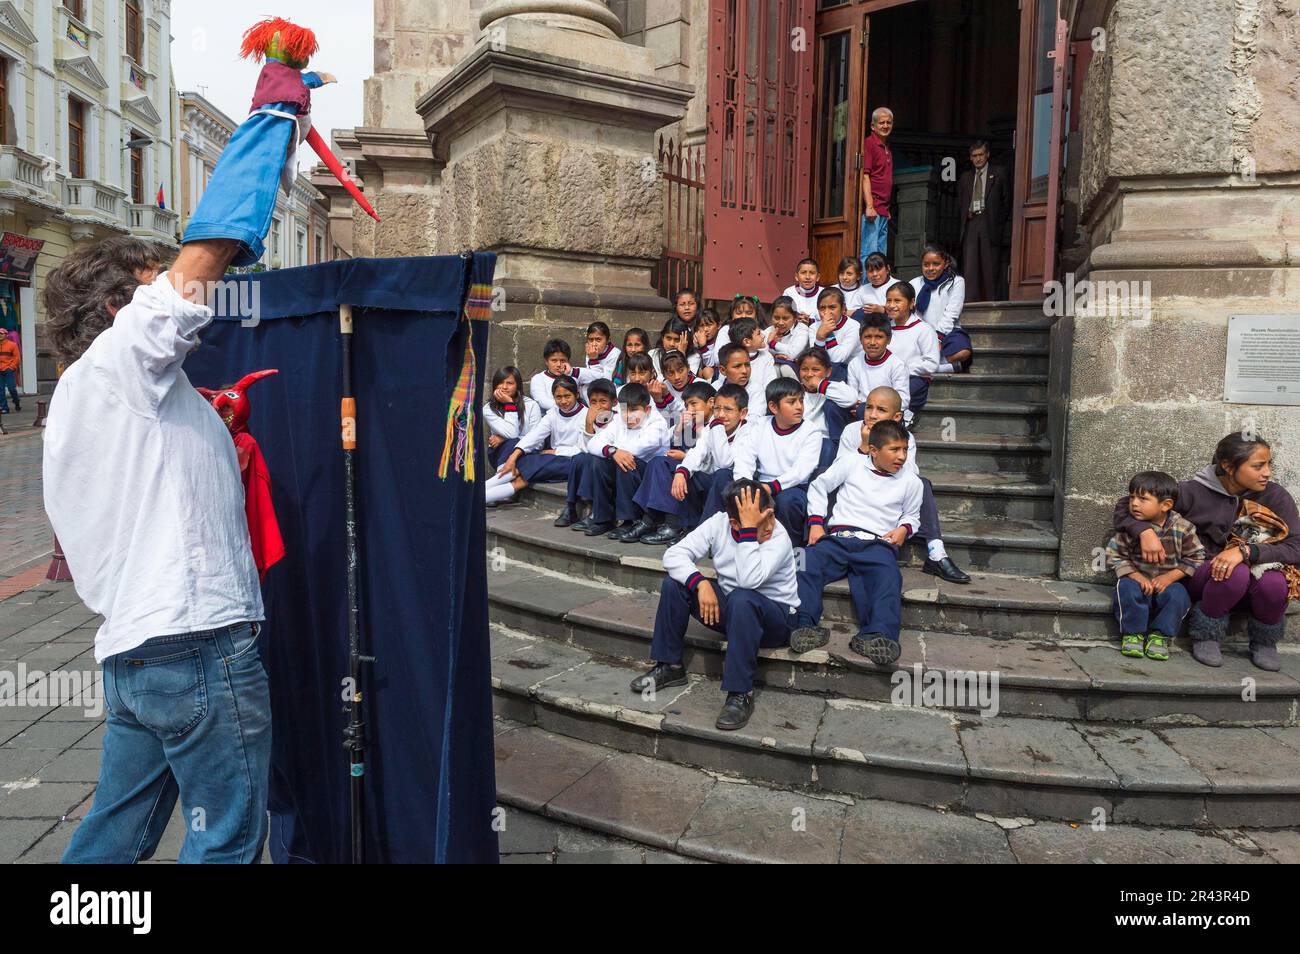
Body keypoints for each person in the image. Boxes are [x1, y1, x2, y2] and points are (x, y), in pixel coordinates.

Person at [44, 235, 270, 863]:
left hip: (139, 650)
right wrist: (272, 140)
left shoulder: (86, 390)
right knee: (226, 837)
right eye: (153, 283)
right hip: (195, 638)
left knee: (118, 829)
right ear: (123, 307)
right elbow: (201, 264)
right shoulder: (123, 364)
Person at [1111, 432, 1299, 670]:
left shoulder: (1275, 496)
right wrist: (1144, 532)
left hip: (1259, 573)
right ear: (1228, 466)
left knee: (1275, 584)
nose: (1267, 472)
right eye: (1258, 466)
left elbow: (1296, 545)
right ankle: (1207, 635)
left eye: (1269, 464)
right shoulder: (1192, 492)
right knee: (1234, 572)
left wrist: (1246, 552)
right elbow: (1126, 505)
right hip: (1205, 576)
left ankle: (1264, 642)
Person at [631, 481, 799, 731]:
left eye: (770, 515)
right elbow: (673, 555)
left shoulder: (779, 536)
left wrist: (750, 531)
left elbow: (749, 581)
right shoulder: (719, 523)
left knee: (743, 597)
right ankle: (670, 666)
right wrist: (700, 583)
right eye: (762, 519)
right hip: (735, 612)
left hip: (776, 619)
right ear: (734, 523)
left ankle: (740, 693)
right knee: (675, 585)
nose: (771, 524)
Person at [792, 418, 922, 664]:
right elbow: (819, 486)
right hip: (838, 539)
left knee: (888, 576)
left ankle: (877, 635)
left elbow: (912, 516)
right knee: (802, 561)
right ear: (873, 450)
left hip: (877, 544)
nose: (902, 456)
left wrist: (904, 529)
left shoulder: (911, 481)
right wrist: (817, 522)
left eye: (905, 449)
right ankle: (804, 624)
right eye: (894, 449)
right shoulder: (851, 462)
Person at [1105, 471, 1205, 661]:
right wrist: (1136, 576)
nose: (1134, 503)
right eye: (1132, 497)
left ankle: (1160, 636)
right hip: (1137, 580)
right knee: (1125, 587)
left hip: (1166, 584)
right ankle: (1132, 633)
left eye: (1143, 499)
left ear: (1166, 505)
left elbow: (1197, 557)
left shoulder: (1183, 528)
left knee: (1180, 594)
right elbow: (1114, 555)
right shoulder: (1131, 529)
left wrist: (1170, 578)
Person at [713, 377, 821, 543]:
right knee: (723, 477)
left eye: (801, 401)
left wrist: (772, 487)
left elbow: (801, 471)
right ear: (773, 407)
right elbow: (745, 458)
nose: (799, 406)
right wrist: (745, 486)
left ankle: (788, 549)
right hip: (759, 485)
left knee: (787, 500)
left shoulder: (811, 432)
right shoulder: (760, 425)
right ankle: (720, 539)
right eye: (791, 402)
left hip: (791, 487)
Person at [633, 381, 730, 546]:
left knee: (668, 467)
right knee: (658, 462)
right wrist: (678, 427)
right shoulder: (691, 421)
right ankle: (650, 520)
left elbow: (714, 461)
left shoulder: (719, 422)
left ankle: (673, 525)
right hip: (691, 468)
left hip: (712, 476)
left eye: (694, 404)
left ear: (711, 402)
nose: (690, 409)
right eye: (687, 405)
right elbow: (667, 442)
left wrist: (685, 456)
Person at [584, 382, 672, 540]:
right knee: (598, 461)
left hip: (648, 478)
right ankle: (603, 519)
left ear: (647, 410)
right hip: (624, 472)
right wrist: (611, 451)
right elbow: (593, 443)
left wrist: (615, 451)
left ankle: (629, 520)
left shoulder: (658, 424)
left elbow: (636, 449)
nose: (628, 415)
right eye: (624, 410)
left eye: (634, 410)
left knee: (627, 461)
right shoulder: (618, 420)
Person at [488, 374, 587, 505]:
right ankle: (480, 494)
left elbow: (583, 448)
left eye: (567, 396)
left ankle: (478, 496)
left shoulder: (586, 415)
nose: (563, 401)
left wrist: (556, 451)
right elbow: (535, 435)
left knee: (523, 476)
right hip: (552, 458)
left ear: (577, 395)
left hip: (573, 461)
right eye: (558, 397)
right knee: (520, 464)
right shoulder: (553, 413)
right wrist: (513, 456)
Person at [557, 378, 617, 530]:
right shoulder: (586, 419)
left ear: (614, 403)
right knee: (579, 458)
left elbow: (601, 449)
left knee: (593, 460)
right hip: (592, 462)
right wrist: (589, 425)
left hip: (610, 464)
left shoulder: (617, 421)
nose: (598, 406)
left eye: (603, 401)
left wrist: (590, 427)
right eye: (594, 402)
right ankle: (571, 506)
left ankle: (596, 511)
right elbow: (583, 448)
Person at [957, 140, 1009, 303]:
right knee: (971, 265)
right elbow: (961, 202)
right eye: (975, 156)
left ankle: (992, 301)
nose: (978, 159)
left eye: (981, 155)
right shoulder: (965, 177)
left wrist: (999, 223)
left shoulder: (999, 173)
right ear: (970, 158)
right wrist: (967, 214)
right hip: (972, 222)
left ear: (987, 155)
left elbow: (1007, 201)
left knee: (990, 264)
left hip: (990, 222)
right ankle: (971, 302)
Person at [910, 244, 972, 371]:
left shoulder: (956, 282)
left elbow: (952, 313)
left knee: (963, 352)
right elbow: (910, 314)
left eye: (936, 264)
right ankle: (945, 368)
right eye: (926, 265)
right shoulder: (914, 283)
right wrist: (926, 337)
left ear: (946, 263)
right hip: (921, 333)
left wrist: (937, 337)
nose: (930, 268)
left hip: (947, 333)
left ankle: (933, 366)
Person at [882, 281, 940, 416]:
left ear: (911, 302)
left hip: (913, 380)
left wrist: (901, 370)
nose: (891, 305)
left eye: (897, 301)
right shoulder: (884, 329)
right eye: (888, 300)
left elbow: (931, 364)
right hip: (887, 378)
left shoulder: (923, 329)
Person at [846, 313, 910, 418]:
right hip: (860, 409)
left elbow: (903, 401)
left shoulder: (897, 365)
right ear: (860, 339)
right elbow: (852, 395)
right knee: (833, 407)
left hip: (884, 413)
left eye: (879, 337)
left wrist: (875, 408)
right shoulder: (854, 363)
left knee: (865, 410)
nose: (872, 342)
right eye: (867, 337)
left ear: (889, 339)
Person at [483, 366, 541, 471]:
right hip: (500, 452)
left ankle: (496, 481)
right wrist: (510, 404)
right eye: (500, 383)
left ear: (517, 385)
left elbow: (538, 443)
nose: (504, 387)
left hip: (527, 454)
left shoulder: (531, 405)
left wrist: (503, 438)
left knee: (512, 443)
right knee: (511, 444)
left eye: (509, 383)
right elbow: (512, 433)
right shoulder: (489, 408)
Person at [860, 106, 894, 261]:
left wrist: (886, 208)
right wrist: (870, 206)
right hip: (872, 209)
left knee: (881, 254)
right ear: (873, 126)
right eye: (881, 123)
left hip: (883, 209)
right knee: (869, 253)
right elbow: (865, 176)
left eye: (889, 122)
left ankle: (880, 286)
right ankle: (868, 285)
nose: (885, 126)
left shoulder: (886, 147)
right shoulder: (870, 144)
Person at [812, 286, 861, 372]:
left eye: (832, 307)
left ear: (843, 308)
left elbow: (837, 359)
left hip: (848, 369)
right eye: (822, 308)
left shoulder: (854, 326)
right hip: (823, 370)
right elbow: (814, 360)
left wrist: (828, 333)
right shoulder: (813, 327)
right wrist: (819, 339)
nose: (827, 312)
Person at [767, 297, 813, 373]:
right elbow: (760, 352)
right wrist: (774, 356)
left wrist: (773, 343)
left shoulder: (802, 330)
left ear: (795, 318)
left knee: (785, 368)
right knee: (774, 367)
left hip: (799, 369)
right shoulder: (769, 331)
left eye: (785, 318)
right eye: (776, 318)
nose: (780, 322)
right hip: (777, 366)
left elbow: (793, 353)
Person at [528, 338, 575, 413]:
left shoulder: (573, 377)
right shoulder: (538, 379)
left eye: (562, 360)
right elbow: (543, 401)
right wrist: (569, 407)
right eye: (554, 360)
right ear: (546, 361)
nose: (559, 365)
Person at [782, 258, 824, 324]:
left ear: (818, 277)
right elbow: (785, 313)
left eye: (812, 273)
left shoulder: (824, 293)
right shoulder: (789, 293)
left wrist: (810, 321)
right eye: (803, 273)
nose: (807, 277)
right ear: (796, 276)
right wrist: (797, 317)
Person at [581, 321, 621, 386]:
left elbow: (605, 381)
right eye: (591, 340)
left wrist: (593, 360)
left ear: (608, 340)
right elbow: (589, 375)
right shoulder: (590, 352)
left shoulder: (614, 354)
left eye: (598, 340)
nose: (594, 344)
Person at [0, 332, 19, 413]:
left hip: (9, 370)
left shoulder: (12, 345)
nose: (0, 335)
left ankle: (16, 401)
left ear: (6, 335)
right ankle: (4, 408)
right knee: (0, 390)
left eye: (1, 333)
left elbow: (17, 358)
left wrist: (11, 367)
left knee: (12, 388)